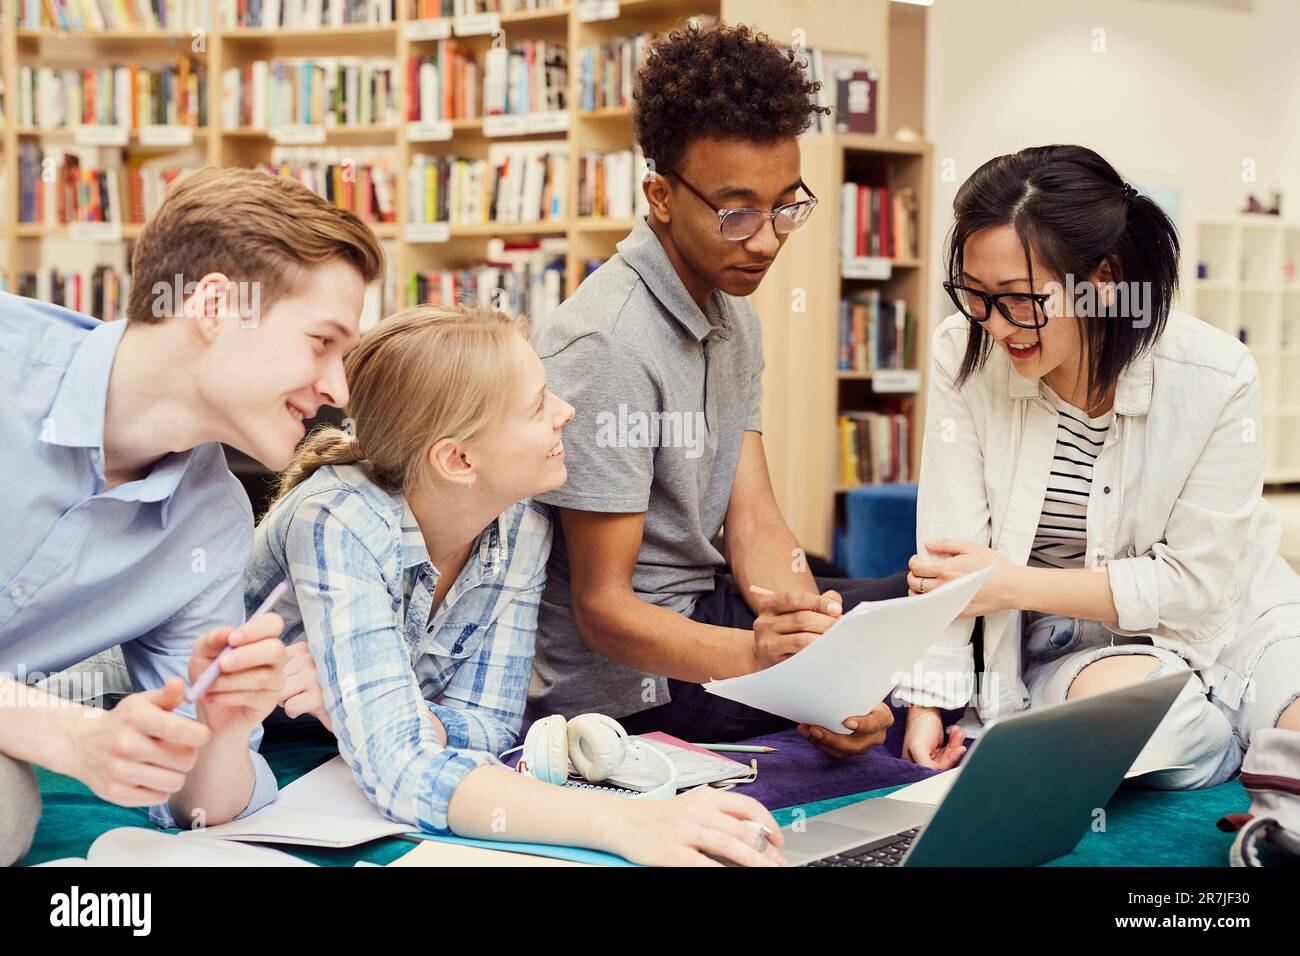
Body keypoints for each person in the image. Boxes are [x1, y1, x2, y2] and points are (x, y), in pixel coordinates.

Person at [250, 304, 787, 866]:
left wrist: (394, 717)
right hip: (257, 779)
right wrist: (633, 824)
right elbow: (403, 773)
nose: (567, 411)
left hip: (349, 775)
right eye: (537, 406)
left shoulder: (521, 519)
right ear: (457, 460)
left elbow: (490, 727)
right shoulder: (338, 522)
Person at [528, 21, 908, 759]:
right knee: (905, 652)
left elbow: (756, 522)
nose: (766, 239)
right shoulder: (608, 343)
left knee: (928, 608)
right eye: (736, 211)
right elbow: (603, 611)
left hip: (709, 614)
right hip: (631, 684)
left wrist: (808, 632)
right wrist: (783, 669)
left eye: (786, 205)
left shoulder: (734, 315)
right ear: (660, 195)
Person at [0, 166, 387, 865]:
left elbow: (200, 806)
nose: (336, 389)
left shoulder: (208, 523)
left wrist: (220, 729)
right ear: (213, 306)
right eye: (321, 343)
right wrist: (64, 736)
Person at [899, 144, 1300, 787]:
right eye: (974, 295)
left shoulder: (1216, 374)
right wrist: (929, 701)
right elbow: (952, 557)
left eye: (1021, 299)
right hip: (1082, 646)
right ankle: (1238, 745)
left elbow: (1196, 586)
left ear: (1103, 281)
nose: (998, 326)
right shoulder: (963, 353)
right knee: (1126, 721)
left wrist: (1011, 584)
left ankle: (1255, 731)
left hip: (1237, 618)